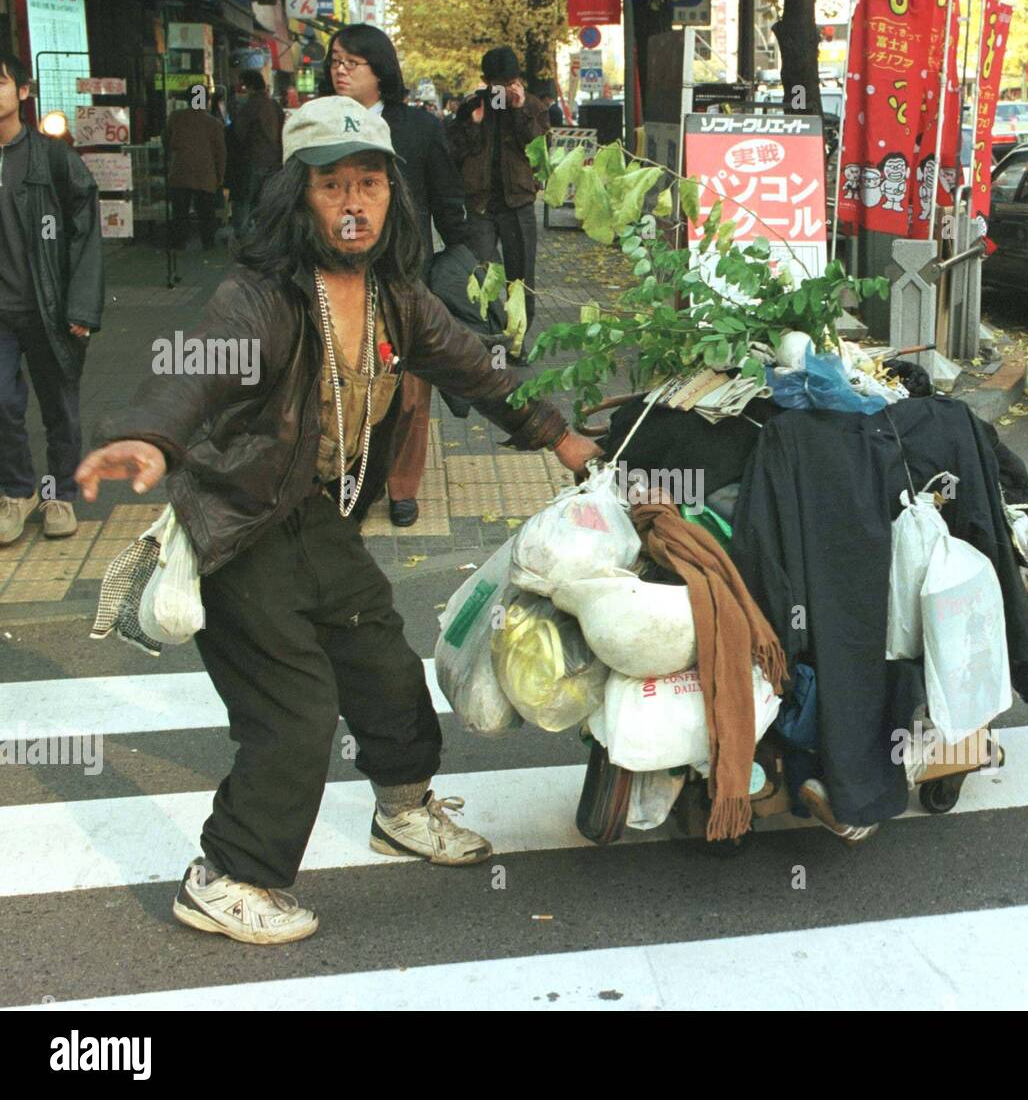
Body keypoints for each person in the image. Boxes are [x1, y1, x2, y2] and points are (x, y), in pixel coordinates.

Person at [77, 97, 601, 945]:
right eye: (331, 186)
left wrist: (565, 439)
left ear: (394, 193)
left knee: (388, 670)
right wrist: (148, 435)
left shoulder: (397, 298)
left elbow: (478, 370)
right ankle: (227, 875)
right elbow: (196, 370)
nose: (354, 203)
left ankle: (401, 808)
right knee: (296, 713)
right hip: (239, 529)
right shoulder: (264, 297)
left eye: (369, 183)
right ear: (298, 196)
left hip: (317, 522)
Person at [322, 24, 474, 528]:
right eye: (335, 61)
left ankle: (402, 487)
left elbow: (448, 201)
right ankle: (346, 470)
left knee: (409, 393)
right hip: (337, 280)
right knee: (343, 385)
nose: (339, 70)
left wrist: (462, 260)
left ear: (380, 72)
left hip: (407, 279)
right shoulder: (317, 125)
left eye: (352, 63)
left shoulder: (418, 128)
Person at [0, 53, 104, 545]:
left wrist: (81, 307)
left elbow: (85, 232)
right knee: (1, 403)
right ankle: (17, 492)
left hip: (48, 306)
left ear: (23, 91)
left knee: (59, 406)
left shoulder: (53, 157)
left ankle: (59, 492)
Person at [447, 47, 549, 356]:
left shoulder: (532, 106)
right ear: (485, 81)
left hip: (518, 203)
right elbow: (454, 153)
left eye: (509, 82)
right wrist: (472, 121)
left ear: (517, 80)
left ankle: (516, 343)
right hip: (481, 206)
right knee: (484, 276)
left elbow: (538, 152)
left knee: (521, 278)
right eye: (497, 84)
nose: (503, 90)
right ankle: (491, 340)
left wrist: (519, 111)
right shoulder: (473, 107)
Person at [164, 90, 227, 251]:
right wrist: (220, 176)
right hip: (205, 173)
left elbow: (167, 142)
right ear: (206, 101)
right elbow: (221, 152)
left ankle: (178, 243)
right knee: (206, 211)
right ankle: (208, 242)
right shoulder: (214, 123)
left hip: (180, 170)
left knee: (180, 211)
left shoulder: (175, 118)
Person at [230, 69, 283, 237]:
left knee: (244, 199)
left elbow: (239, 133)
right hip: (274, 160)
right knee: (266, 200)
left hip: (254, 159)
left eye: (243, 85)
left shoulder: (250, 106)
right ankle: (266, 234)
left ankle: (243, 235)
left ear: (250, 86)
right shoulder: (274, 105)